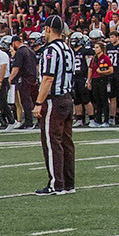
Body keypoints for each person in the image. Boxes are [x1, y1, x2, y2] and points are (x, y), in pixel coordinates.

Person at [34, 17, 77, 195]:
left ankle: (56, 184)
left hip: (54, 100)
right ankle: (68, 183)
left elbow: (48, 79)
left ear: (48, 29)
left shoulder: (51, 50)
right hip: (67, 98)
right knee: (66, 142)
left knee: (52, 142)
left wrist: (38, 102)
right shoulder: (68, 49)